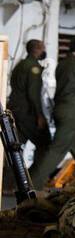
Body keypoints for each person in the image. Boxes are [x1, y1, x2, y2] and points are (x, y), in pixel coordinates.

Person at [30, 38, 75, 185]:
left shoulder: (63, 64)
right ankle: (32, 184)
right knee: (56, 151)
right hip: (72, 113)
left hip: (62, 111)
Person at [7, 38, 50, 176]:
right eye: (43, 47)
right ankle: (34, 177)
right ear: (36, 49)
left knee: (15, 145)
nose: (44, 50)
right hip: (27, 112)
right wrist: (40, 115)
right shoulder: (33, 67)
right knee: (45, 142)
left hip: (15, 110)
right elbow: (33, 94)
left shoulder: (20, 65)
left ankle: (9, 182)